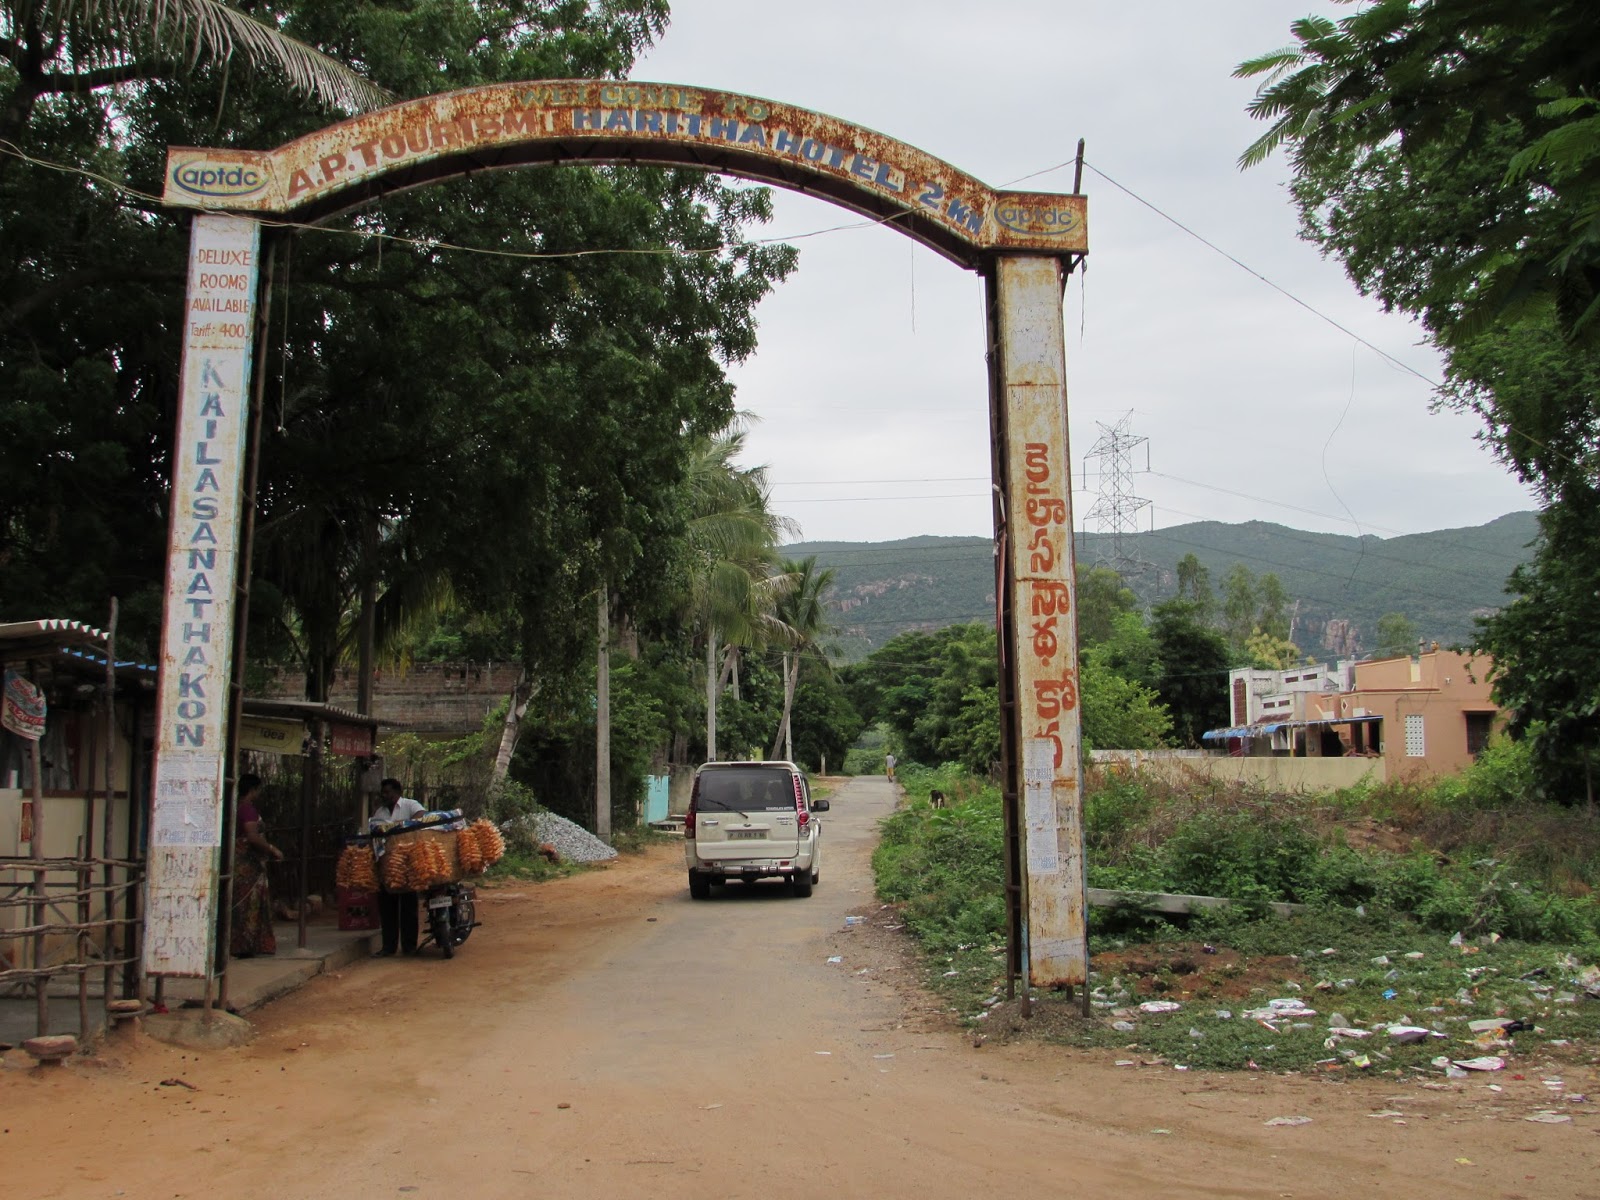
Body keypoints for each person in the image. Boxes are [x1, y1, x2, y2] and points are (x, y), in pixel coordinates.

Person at [370, 777, 424, 957]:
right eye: (383, 793)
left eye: (388, 792)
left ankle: (409, 946)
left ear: (397, 793)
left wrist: (401, 826)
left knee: (408, 908)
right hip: (388, 865)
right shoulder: (381, 811)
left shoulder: (410, 805)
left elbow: (421, 816)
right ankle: (388, 947)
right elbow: (375, 829)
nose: (385, 796)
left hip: (408, 864)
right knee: (387, 908)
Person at [230, 774, 282, 958]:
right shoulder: (247, 810)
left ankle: (242, 943)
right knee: (249, 903)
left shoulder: (234, 807)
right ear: (253, 790)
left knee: (240, 903)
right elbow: (252, 836)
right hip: (248, 864)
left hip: (238, 862)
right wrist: (271, 849)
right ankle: (246, 944)